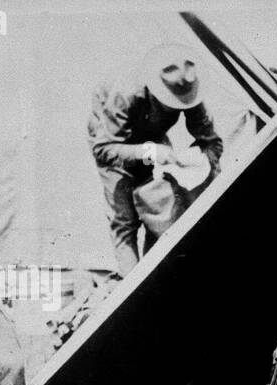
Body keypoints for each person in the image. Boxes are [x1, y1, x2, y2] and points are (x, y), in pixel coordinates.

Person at [87, 43, 223, 277]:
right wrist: (148, 152)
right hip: (114, 144)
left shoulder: (187, 89)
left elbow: (212, 142)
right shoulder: (125, 92)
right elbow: (103, 149)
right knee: (124, 222)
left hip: (154, 142)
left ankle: (156, 280)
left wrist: (199, 161)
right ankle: (132, 297)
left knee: (163, 214)